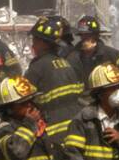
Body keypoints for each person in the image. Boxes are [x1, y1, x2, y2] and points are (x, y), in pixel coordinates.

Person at [23, 16, 84, 148]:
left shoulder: (38, 66)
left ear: (44, 43)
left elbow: (22, 98)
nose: (33, 44)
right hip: (76, 126)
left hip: (54, 131)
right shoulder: (65, 62)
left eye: (35, 40)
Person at [68, 15, 119, 82]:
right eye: (82, 35)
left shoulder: (107, 53)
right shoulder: (74, 57)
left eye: (88, 35)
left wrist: (116, 81)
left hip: (107, 92)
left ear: (96, 36)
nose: (84, 39)